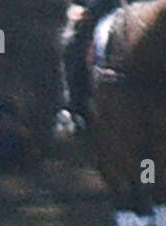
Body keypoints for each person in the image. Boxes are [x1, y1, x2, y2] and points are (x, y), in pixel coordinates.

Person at [54, 0, 120, 139]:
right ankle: (75, 109)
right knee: (73, 44)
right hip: (95, 12)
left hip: (132, 9)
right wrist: (77, 9)